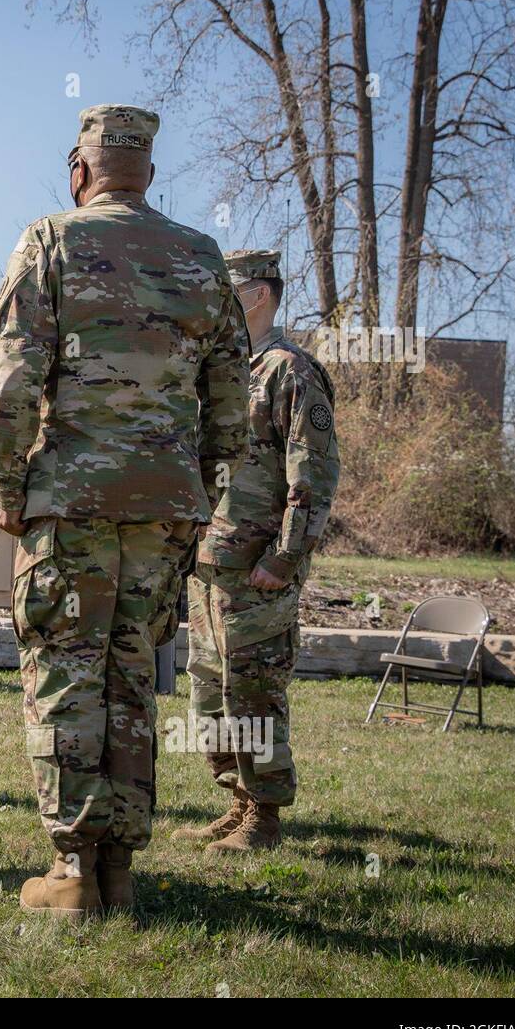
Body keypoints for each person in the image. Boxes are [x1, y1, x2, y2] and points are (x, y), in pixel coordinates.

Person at [0, 104, 250, 917]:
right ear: (149, 176)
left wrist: (8, 493)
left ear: (80, 170)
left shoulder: (51, 241)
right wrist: (198, 491)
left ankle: (71, 873)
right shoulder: (202, 257)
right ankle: (120, 872)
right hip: (165, 509)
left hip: (71, 503)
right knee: (132, 679)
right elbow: (230, 399)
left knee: (67, 677)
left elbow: (11, 389)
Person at [174, 249, 341, 854]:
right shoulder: (225, 370)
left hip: (259, 570)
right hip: (211, 566)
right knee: (212, 693)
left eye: (230, 290)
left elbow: (313, 476)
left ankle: (265, 815)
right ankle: (237, 800)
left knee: (255, 693)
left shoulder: (291, 372)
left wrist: (285, 557)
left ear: (259, 294)